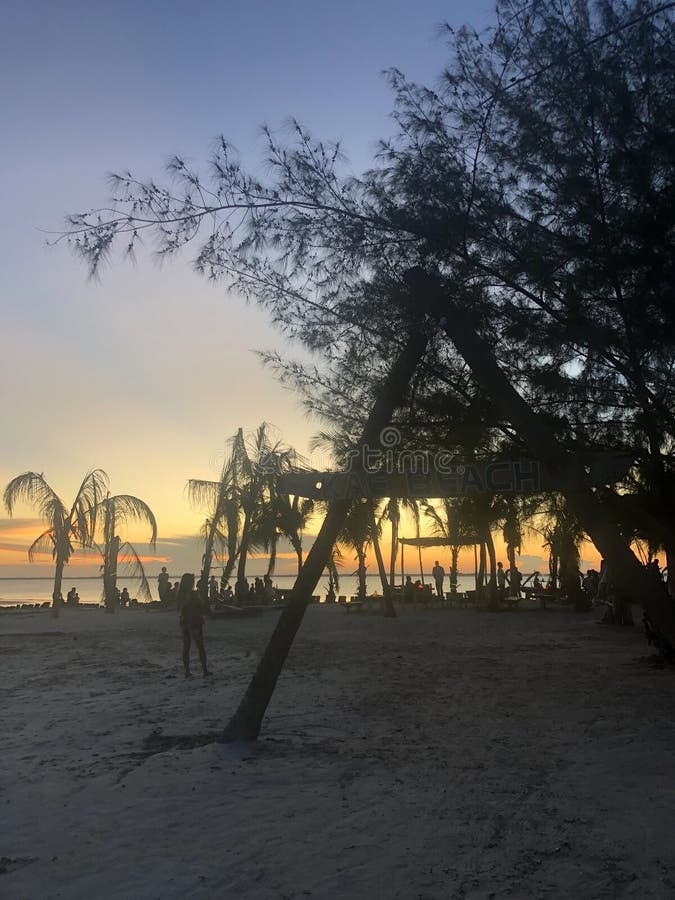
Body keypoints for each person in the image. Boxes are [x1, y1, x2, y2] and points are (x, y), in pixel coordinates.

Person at [176, 573, 210, 677]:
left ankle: (187, 672)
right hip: (194, 621)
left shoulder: (180, 595)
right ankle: (205, 671)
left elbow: (179, 609)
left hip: (184, 621)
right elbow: (201, 606)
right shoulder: (193, 594)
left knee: (186, 647)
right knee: (200, 647)